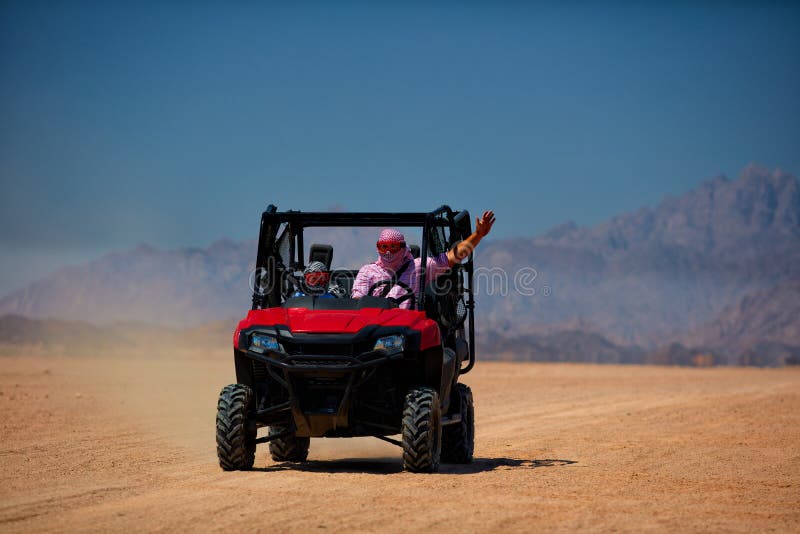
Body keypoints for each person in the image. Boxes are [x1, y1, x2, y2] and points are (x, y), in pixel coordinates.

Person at [351, 210, 496, 309]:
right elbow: (357, 303)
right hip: (374, 327)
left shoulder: (418, 267)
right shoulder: (367, 271)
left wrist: (478, 234)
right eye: (383, 247)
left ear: (402, 247)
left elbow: (453, 256)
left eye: (393, 247)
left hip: (406, 329)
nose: (388, 252)